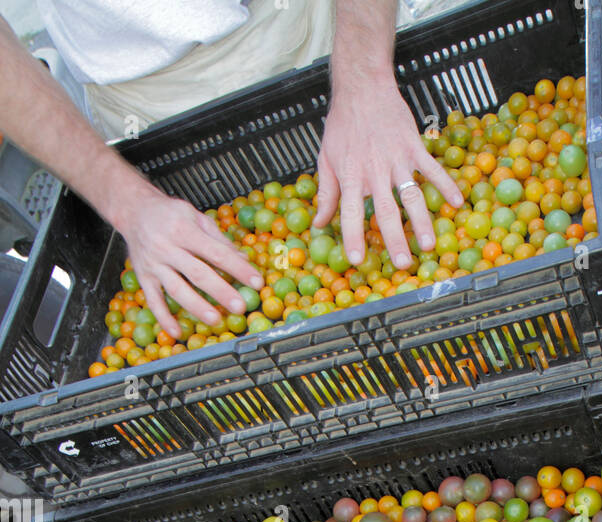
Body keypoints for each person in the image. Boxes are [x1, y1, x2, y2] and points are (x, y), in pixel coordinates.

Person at [0, 0, 462, 336]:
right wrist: (127, 202)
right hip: (148, 91)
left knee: (407, 176)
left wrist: (363, 73)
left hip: (322, 19)